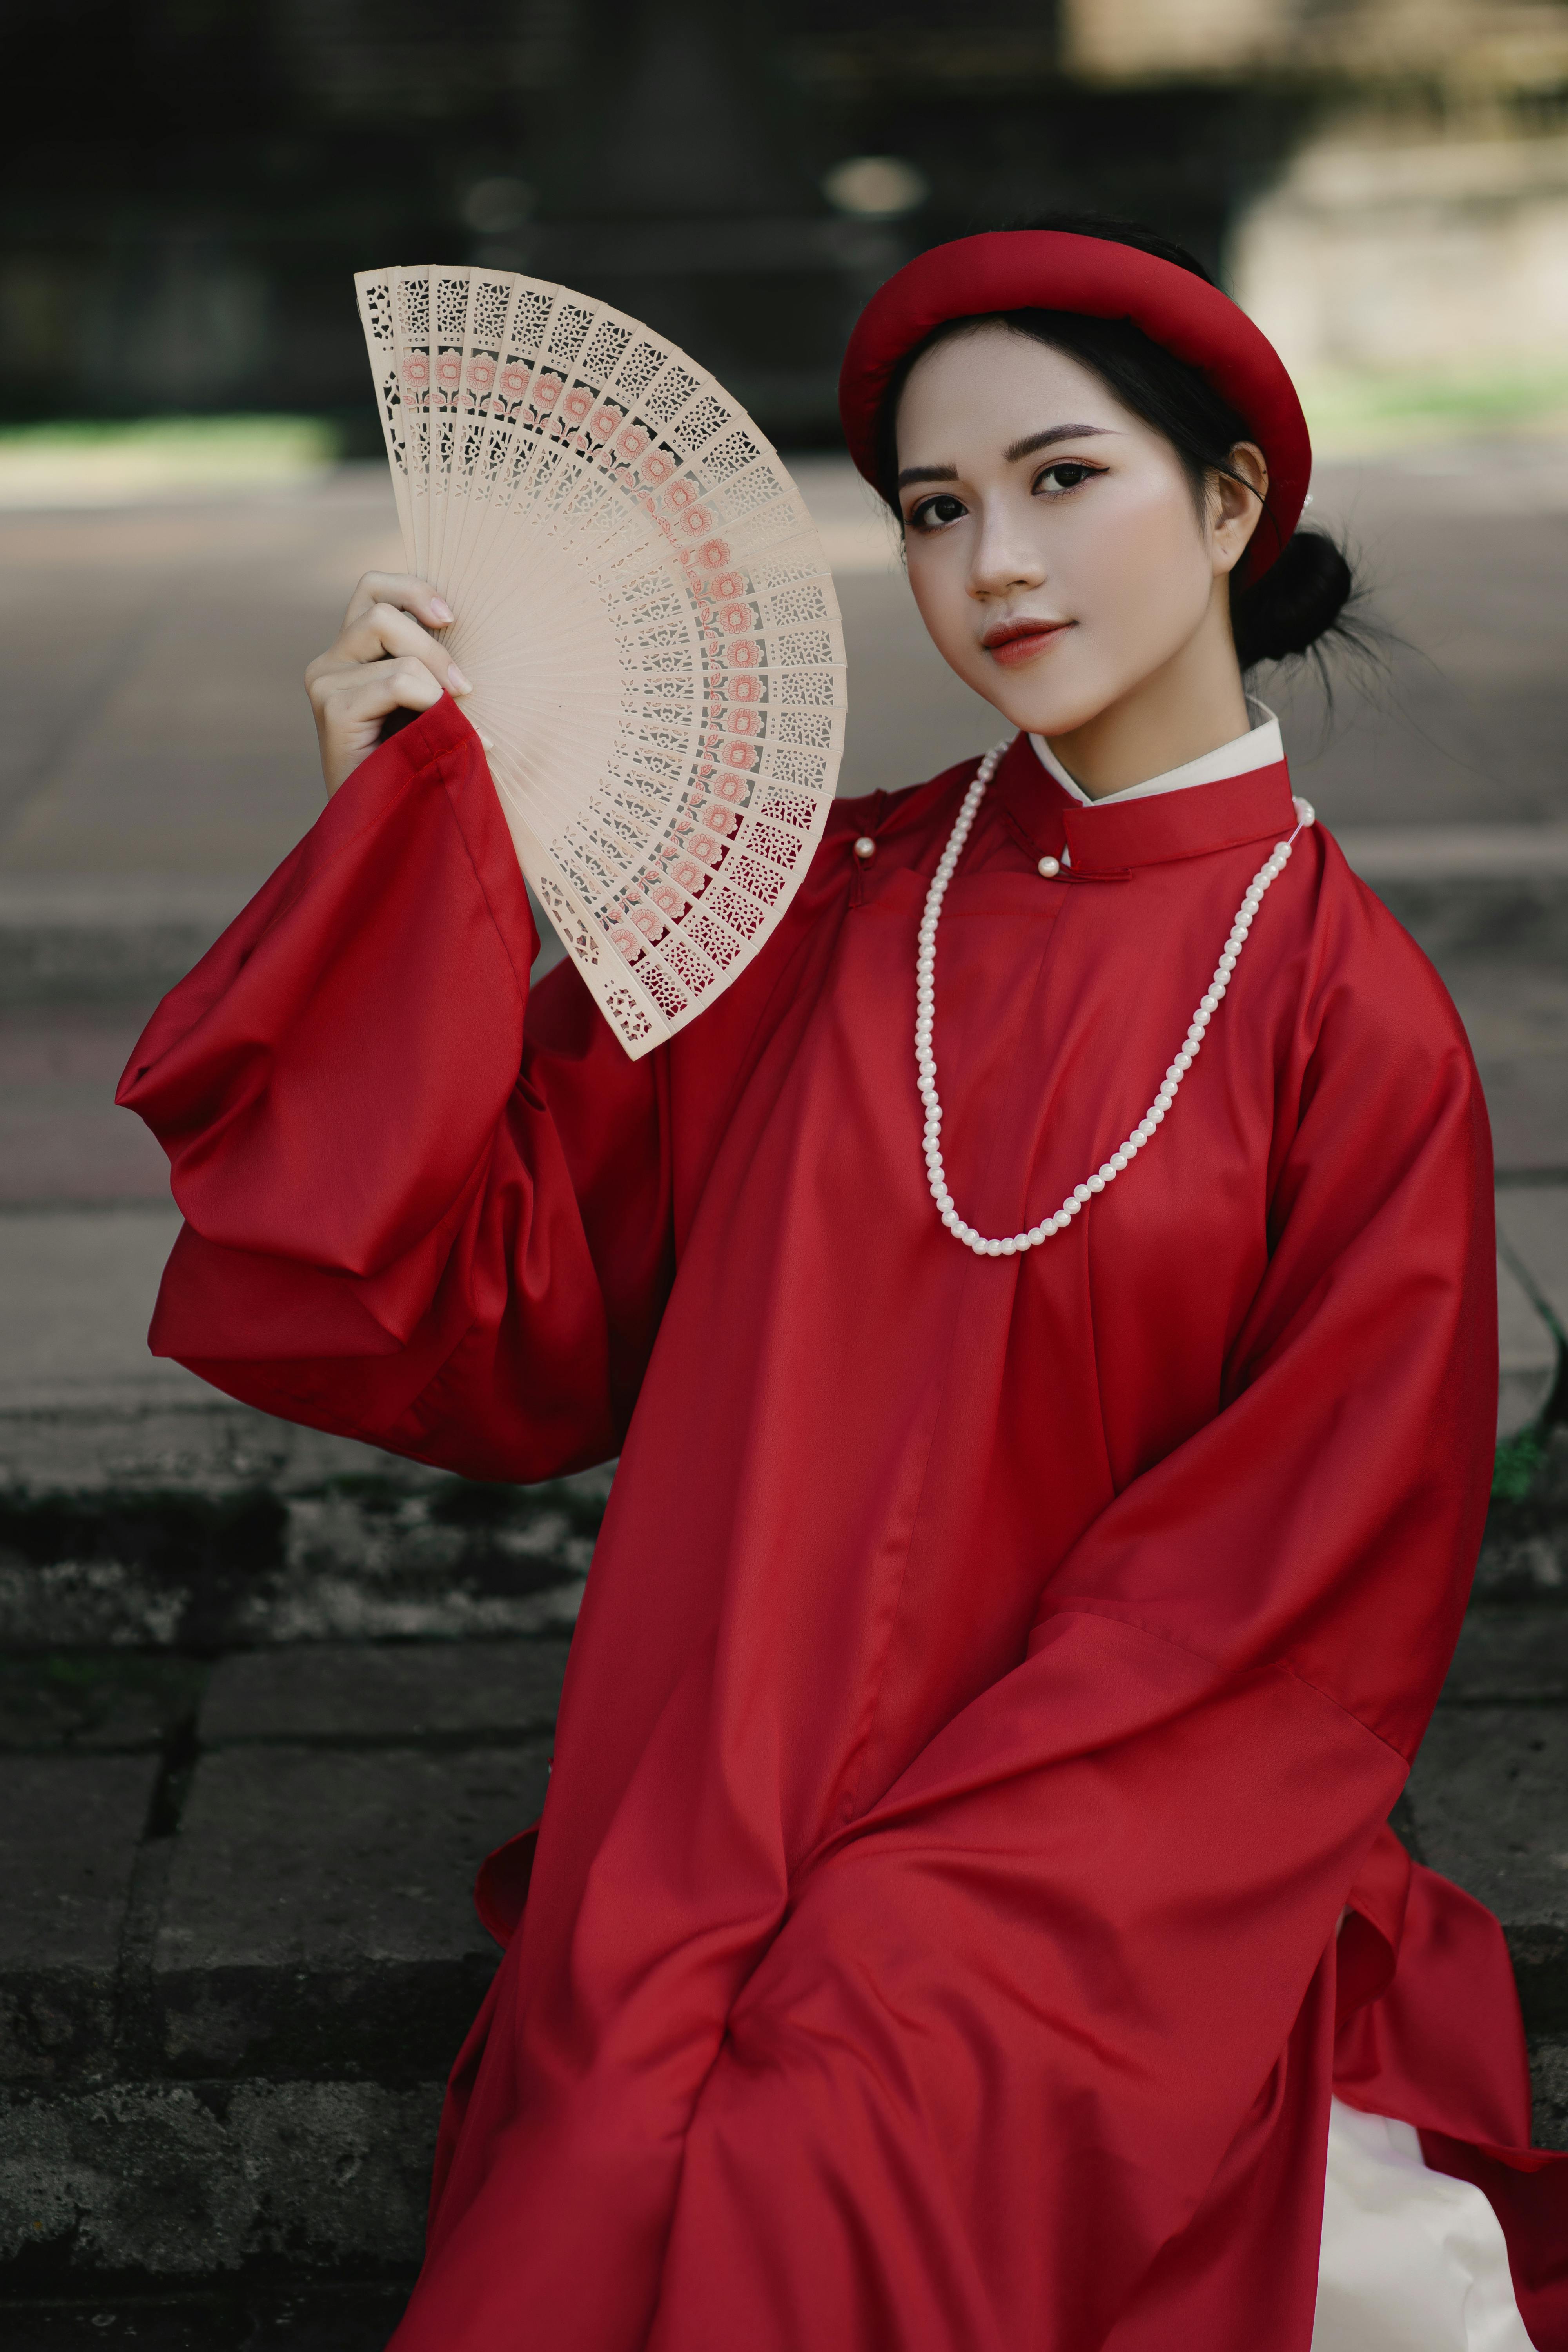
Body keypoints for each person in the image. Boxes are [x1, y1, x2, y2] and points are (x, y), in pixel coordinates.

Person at [117, 220, 1568, 2348]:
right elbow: (496, 1311)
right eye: (934, 506)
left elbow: (1292, 1592)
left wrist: (931, 1895)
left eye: (1066, 479)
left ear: (1237, 498)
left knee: (847, 2123)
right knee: (622, 2166)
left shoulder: (1355, 1028)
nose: (995, 560)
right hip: (718, 1797)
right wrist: (402, 860)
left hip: (1102, 1849)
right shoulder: (810, 903)